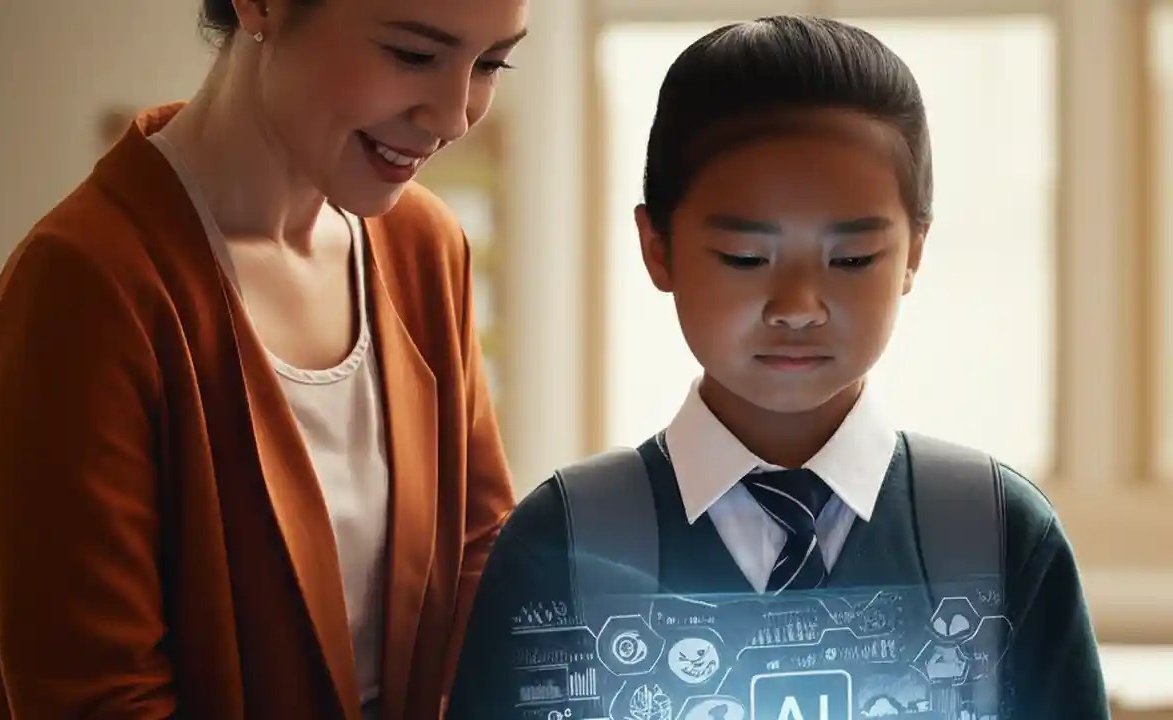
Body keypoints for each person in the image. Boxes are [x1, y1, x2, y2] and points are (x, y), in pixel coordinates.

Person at [446, 16, 1107, 720]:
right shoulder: (565, 545)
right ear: (657, 247)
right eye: (745, 258)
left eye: (851, 260)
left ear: (914, 251)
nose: (797, 306)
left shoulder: (996, 536)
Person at [0, 0, 526, 717]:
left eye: (492, 64)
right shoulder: (85, 288)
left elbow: (481, 562)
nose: (453, 117)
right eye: (413, 55)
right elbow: (98, 698)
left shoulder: (425, 248)